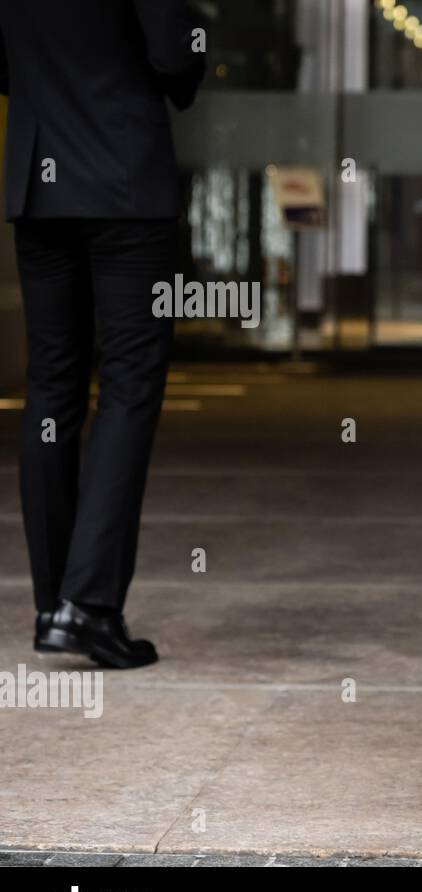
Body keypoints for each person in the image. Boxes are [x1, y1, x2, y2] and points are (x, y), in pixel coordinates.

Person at [0, 0, 205, 668]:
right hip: (123, 180)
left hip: (39, 182)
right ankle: (86, 607)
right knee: (127, 387)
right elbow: (176, 50)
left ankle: (55, 605)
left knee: (52, 387)